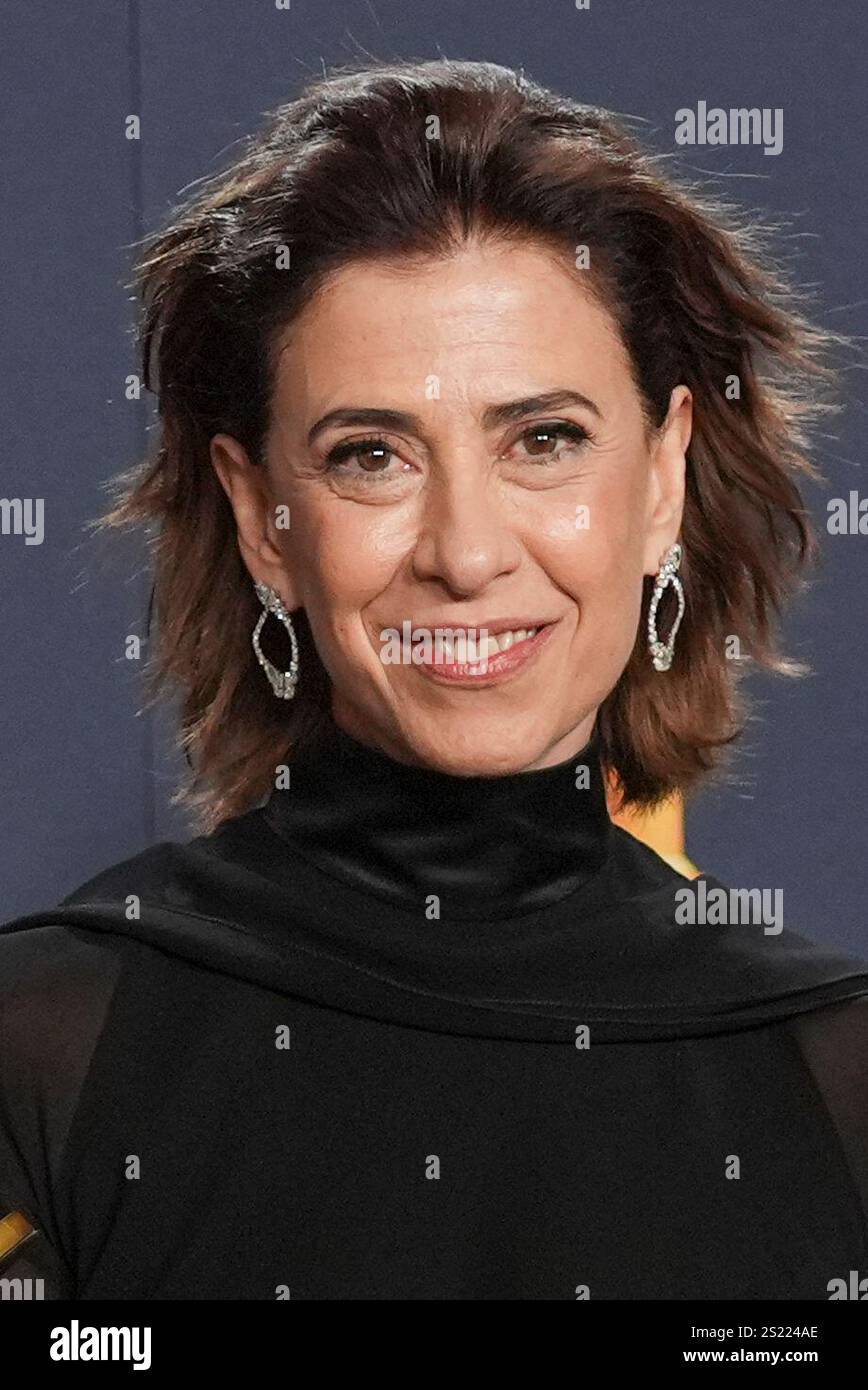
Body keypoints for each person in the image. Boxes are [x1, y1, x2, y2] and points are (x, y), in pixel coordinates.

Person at [2, 58, 867, 1301]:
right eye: (371, 456)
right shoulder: (46, 1042)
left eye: (544, 439)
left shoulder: (835, 1070)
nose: (465, 553)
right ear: (263, 521)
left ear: (662, 480)